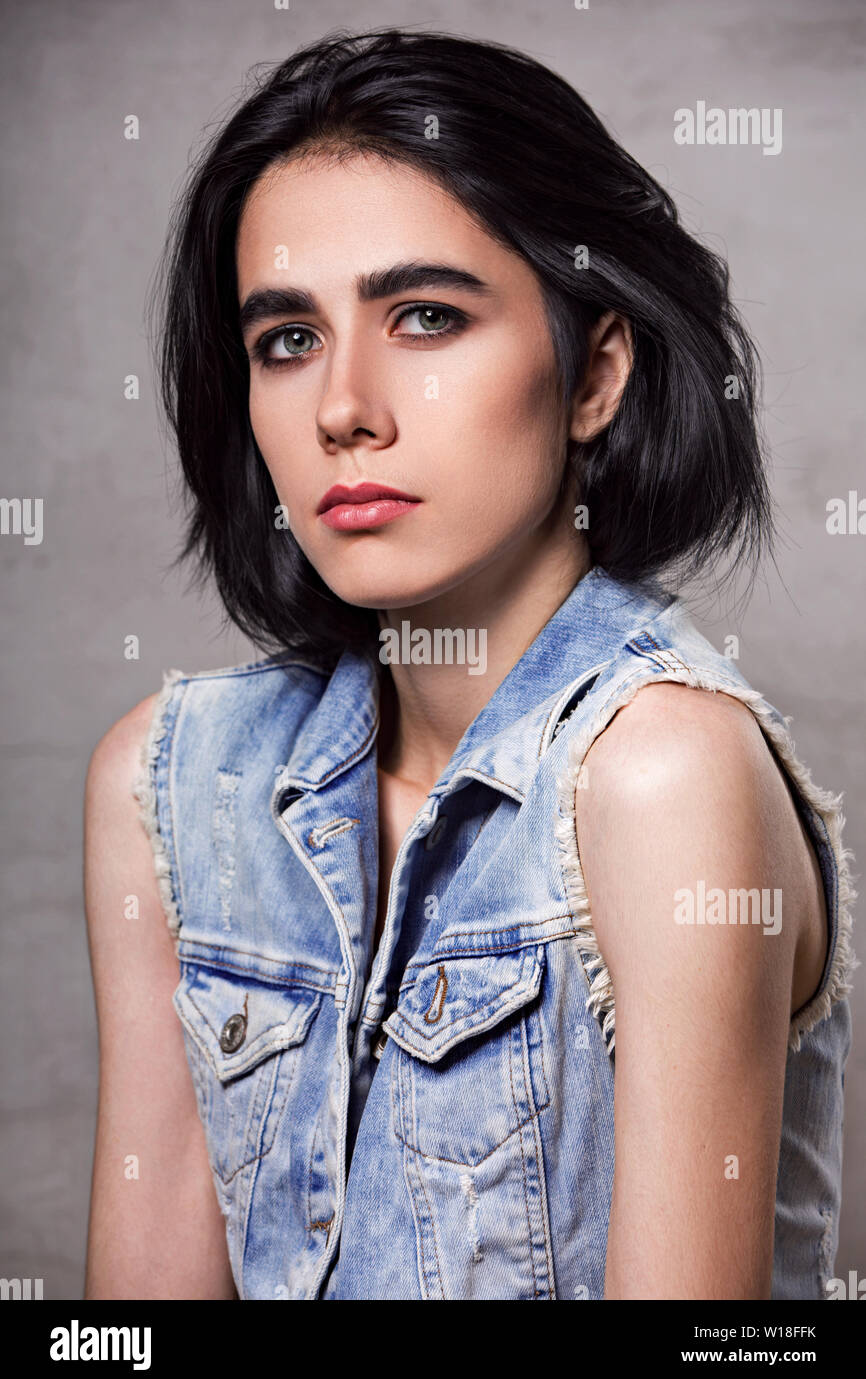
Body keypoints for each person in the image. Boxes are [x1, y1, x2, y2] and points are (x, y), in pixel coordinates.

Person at [83, 27, 856, 1300]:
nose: (344, 406)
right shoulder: (172, 782)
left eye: (425, 316)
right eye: (286, 338)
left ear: (595, 370)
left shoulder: (660, 774)